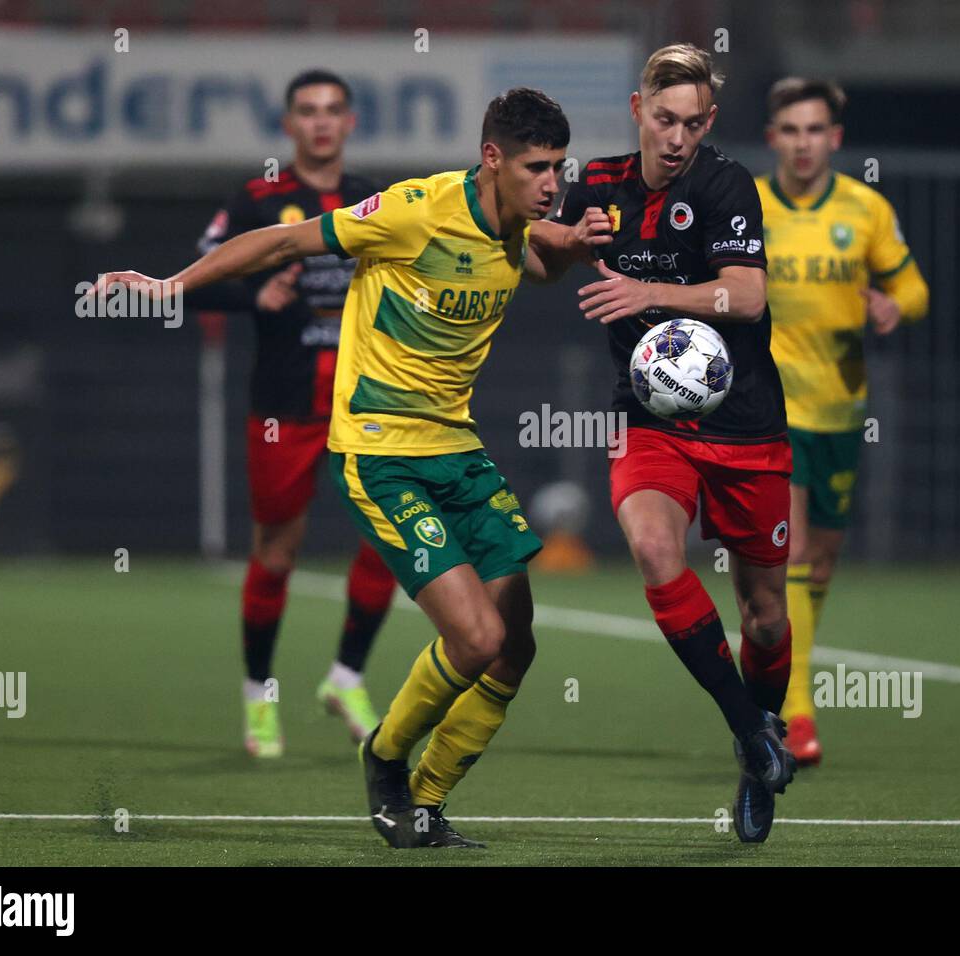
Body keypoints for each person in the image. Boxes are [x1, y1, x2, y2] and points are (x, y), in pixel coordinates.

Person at [95, 88, 610, 848]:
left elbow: (537, 265)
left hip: (456, 448)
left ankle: (425, 803)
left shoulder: (521, 224)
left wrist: (573, 244)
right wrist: (171, 286)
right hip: (381, 452)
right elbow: (282, 243)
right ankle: (386, 759)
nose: (552, 183)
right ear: (492, 158)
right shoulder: (415, 209)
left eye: (560, 167)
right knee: (475, 639)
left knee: (519, 641)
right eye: (538, 167)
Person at [540, 43, 796, 844]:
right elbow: (535, 260)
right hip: (652, 421)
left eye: (691, 122)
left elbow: (749, 298)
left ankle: (763, 735)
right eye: (663, 118)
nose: (676, 136)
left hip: (747, 427)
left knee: (762, 618)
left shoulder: (725, 185)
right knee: (655, 552)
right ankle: (752, 738)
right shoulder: (597, 186)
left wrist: (649, 291)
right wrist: (566, 245)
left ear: (709, 122)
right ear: (636, 110)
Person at [189, 69, 396, 759]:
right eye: (307, 111)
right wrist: (256, 297)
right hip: (284, 406)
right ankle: (258, 699)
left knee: (392, 540)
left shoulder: (375, 199)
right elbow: (198, 283)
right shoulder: (257, 198)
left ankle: (346, 677)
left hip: (365, 404)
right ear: (288, 125)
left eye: (333, 110)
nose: (320, 123)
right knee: (276, 555)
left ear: (350, 122)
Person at [757, 78, 929, 766]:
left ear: (836, 138)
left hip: (841, 409)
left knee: (820, 561)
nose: (804, 143)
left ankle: (785, 687)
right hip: (769, 408)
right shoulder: (750, 207)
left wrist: (893, 307)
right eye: (791, 131)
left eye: (815, 130)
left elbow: (913, 286)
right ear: (773, 138)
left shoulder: (864, 209)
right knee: (794, 552)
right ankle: (795, 713)